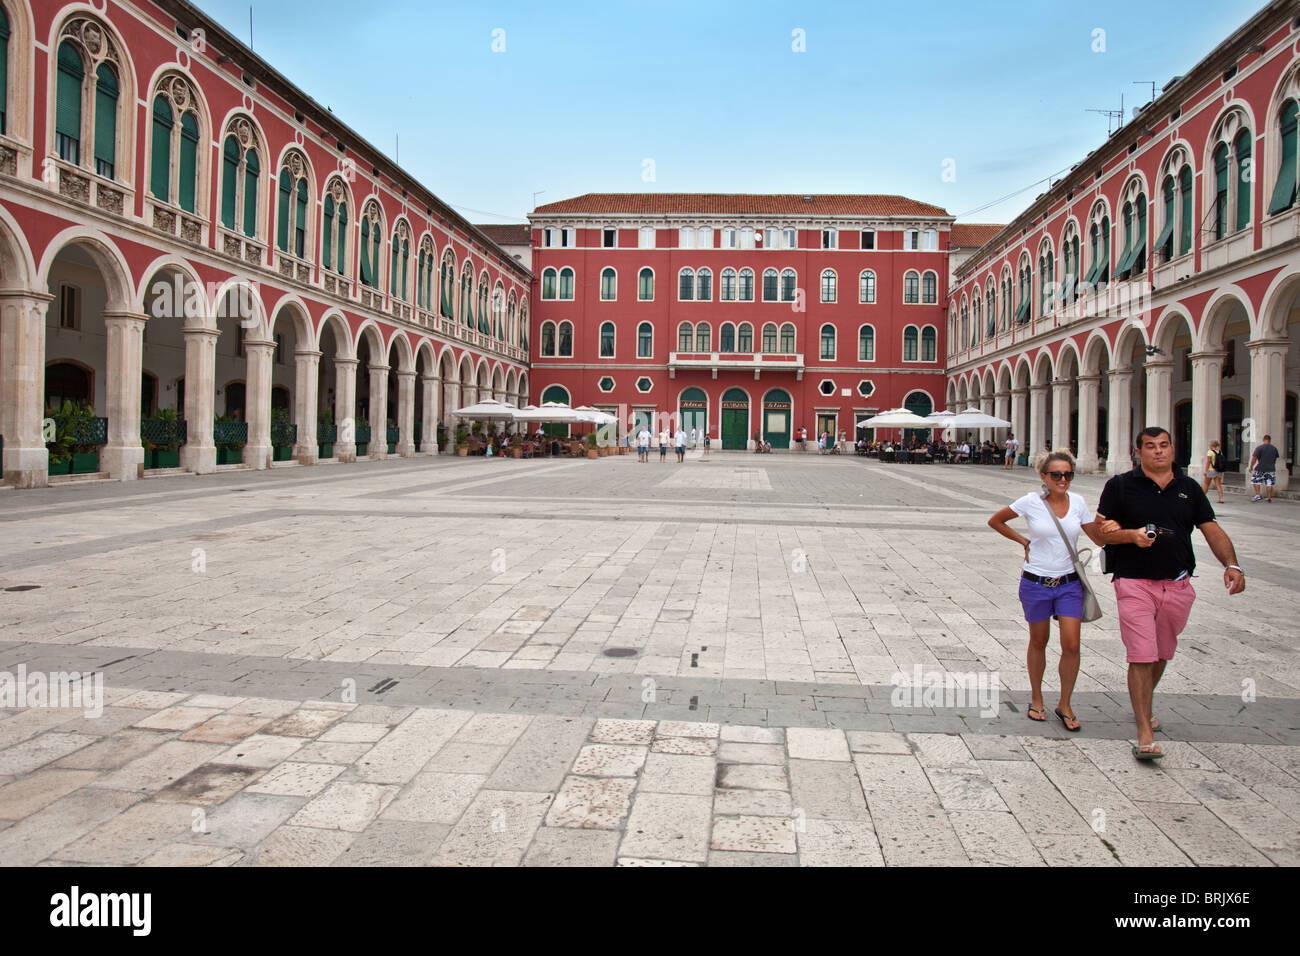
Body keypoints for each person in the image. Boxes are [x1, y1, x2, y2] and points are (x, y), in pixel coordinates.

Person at [1094, 427, 1245, 760]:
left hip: (1177, 583)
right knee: (1141, 653)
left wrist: (1232, 565)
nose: (1158, 452)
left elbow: (1211, 529)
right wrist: (1130, 535)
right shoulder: (1120, 486)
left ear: (1173, 450)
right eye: (1151, 447)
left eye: (1164, 446)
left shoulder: (1189, 489)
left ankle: (1144, 703)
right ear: (1139, 452)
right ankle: (1144, 732)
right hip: (1132, 581)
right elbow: (1098, 531)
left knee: (1161, 653)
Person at [988, 450, 1103, 732]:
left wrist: (1114, 527)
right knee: (1038, 641)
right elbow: (996, 521)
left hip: (1069, 584)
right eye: (1056, 475)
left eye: (1067, 474)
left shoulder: (1078, 503)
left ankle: (1065, 703)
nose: (1063, 479)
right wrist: (1023, 541)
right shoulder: (1031, 501)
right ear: (1044, 477)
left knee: (1071, 644)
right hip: (1036, 582)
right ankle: (1037, 698)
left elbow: (1096, 535)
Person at [1248, 434, 1280, 503]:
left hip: (1260, 468)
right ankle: (1269, 497)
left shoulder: (1259, 448)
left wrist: (1251, 466)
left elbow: (1254, 458)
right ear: (1270, 440)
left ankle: (1258, 494)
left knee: (1255, 481)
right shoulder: (1274, 448)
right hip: (1271, 468)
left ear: (1263, 440)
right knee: (1269, 483)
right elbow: (1275, 458)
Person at [1202, 439, 1225, 504]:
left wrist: (1206, 471)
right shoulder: (1219, 452)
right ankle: (1221, 498)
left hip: (1211, 470)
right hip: (1218, 470)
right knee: (1218, 484)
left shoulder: (1210, 452)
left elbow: (1208, 461)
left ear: (1211, 445)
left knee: (1206, 484)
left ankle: (1202, 497)